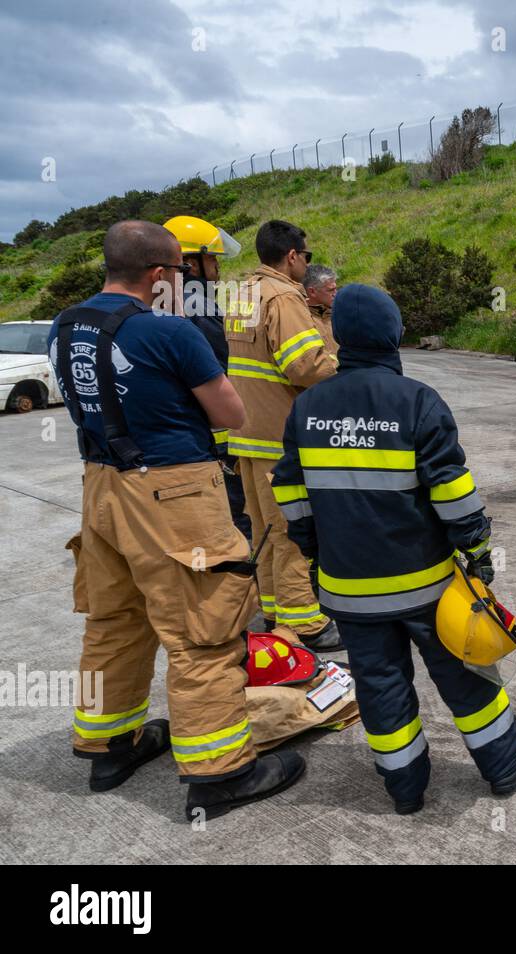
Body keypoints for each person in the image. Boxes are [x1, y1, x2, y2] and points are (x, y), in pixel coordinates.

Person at [49, 220, 304, 820]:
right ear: (163, 274)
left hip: (99, 489)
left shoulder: (67, 324)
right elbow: (232, 413)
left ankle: (111, 747)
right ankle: (220, 773)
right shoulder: (170, 331)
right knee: (204, 630)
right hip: (173, 493)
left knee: (113, 621)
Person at [271, 284, 516, 813]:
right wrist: (479, 548)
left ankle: (405, 790)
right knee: (465, 675)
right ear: (393, 335)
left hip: (348, 590)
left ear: (341, 337)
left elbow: (289, 490)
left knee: (379, 687)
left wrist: (311, 548)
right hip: (424, 584)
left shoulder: (307, 408)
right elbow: (452, 491)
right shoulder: (417, 401)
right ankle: (505, 765)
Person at [226, 220, 340, 649]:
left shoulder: (240, 294)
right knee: (293, 529)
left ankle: (272, 610)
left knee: (264, 530)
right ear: (292, 256)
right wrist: (342, 366)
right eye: (305, 256)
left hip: (247, 435)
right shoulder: (283, 296)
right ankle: (306, 625)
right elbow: (304, 366)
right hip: (280, 436)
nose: (306, 263)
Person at [163, 214, 251, 538]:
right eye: (212, 257)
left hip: (180, 440)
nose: (217, 266)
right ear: (190, 264)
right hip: (215, 437)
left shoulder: (163, 302)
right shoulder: (197, 308)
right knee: (237, 518)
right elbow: (224, 369)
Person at [304, 263, 339, 354]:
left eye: (336, 289)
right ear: (312, 292)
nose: (336, 294)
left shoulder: (340, 313)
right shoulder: (302, 320)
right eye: (330, 290)